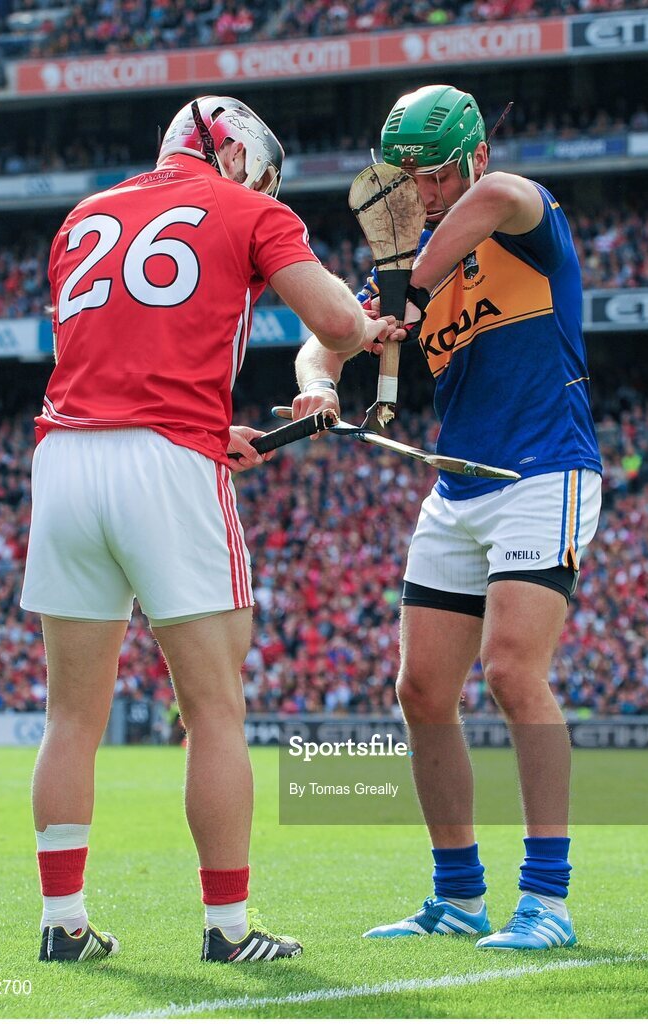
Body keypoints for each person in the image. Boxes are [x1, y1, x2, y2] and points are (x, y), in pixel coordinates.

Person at [20, 95, 395, 965]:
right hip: (166, 471)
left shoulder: (82, 215)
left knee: (70, 717)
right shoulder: (251, 209)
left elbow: (108, 355)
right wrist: (368, 327)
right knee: (215, 709)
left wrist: (200, 422)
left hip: (65, 458)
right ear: (232, 156)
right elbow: (336, 323)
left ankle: (63, 921)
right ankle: (228, 928)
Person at [292, 85, 603, 950]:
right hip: (456, 485)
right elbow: (326, 333)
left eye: (435, 175)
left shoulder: (520, 213)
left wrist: (413, 291)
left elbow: (498, 201)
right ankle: (457, 894)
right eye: (408, 179)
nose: (422, 193)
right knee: (421, 690)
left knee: (510, 672)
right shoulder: (406, 260)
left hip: (544, 471)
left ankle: (545, 898)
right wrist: (321, 380)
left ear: (472, 156)